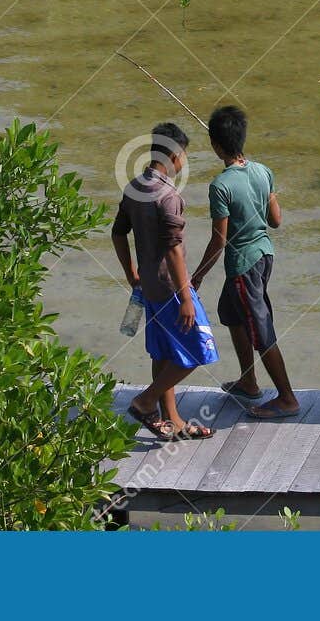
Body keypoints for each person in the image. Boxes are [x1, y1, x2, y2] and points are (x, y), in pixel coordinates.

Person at [191, 105, 301, 420]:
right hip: (265, 256)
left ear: (216, 146)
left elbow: (219, 240)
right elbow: (275, 220)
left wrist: (197, 276)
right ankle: (248, 382)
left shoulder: (220, 186)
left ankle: (287, 397)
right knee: (230, 312)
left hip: (243, 266)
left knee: (261, 330)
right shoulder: (263, 171)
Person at [111, 121, 219, 442]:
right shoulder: (168, 196)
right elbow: (173, 250)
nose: (184, 161)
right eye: (184, 155)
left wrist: (131, 274)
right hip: (172, 288)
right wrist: (186, 297)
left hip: (149, 286)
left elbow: (118, 233)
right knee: (201, 349)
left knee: (164, 351)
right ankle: (145, 402)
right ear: (174, 156)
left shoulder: (135, 187)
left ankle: (172, 420)